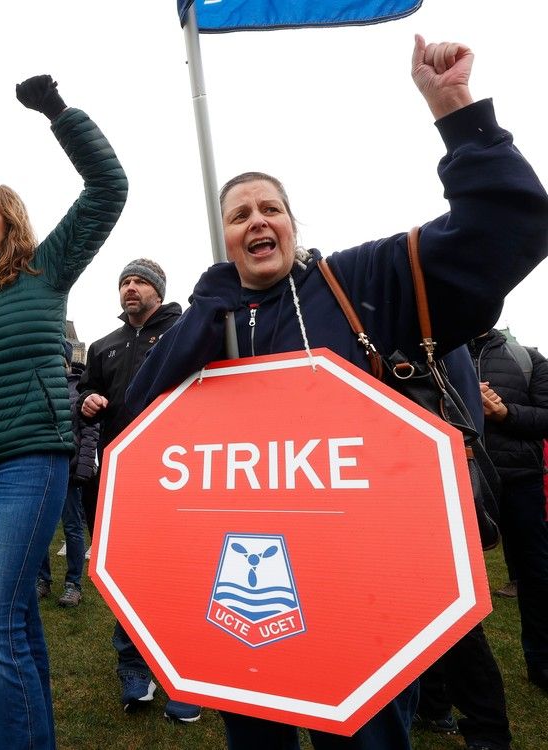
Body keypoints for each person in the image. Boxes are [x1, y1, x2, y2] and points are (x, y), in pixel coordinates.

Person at [126, 36, 548, 750]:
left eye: (271, 208)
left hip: (357, 586)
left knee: (364, 736)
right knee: (255, 732)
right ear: (223, 237)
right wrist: (203, 312)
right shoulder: (209, 318)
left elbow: (507, 230)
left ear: (293, 223)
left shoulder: (359, 283)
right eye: (239, 215)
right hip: (239, 583)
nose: (258, 221)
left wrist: (457, 113)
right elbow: (137, 427)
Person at [0, 75, 127, 749]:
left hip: (30, 464)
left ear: (10, 221)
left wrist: (59, 114)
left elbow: (108, 188)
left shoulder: (45, 270)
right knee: (17, 622)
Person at [77, 260, 196, 722]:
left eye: (139, 281)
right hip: (121, 475)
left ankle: (184, 674)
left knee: (182, 573)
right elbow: (83, 394)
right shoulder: (103, 346)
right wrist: (86, 402)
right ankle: (133, 667)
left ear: (159, 291)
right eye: (124, 281)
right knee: (129, 574)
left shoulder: (186, 331)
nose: (130, 287)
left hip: (179, 474)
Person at [468, 329, 548, 695]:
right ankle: (452, 687)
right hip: (459, 480)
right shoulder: (433, 355)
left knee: (536, 573)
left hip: (520, 481)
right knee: (456, 580)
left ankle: (541, 661)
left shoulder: (527, 359)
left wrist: (504, 412)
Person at [36, 340, 99, 608]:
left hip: (69, 470)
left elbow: (90, 431)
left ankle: (73, 583)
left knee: (73, 528)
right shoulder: (38, 387)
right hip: (40, 468)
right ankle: (42, 580)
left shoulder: (78, 388)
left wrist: (83, 469)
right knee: (40, 528)